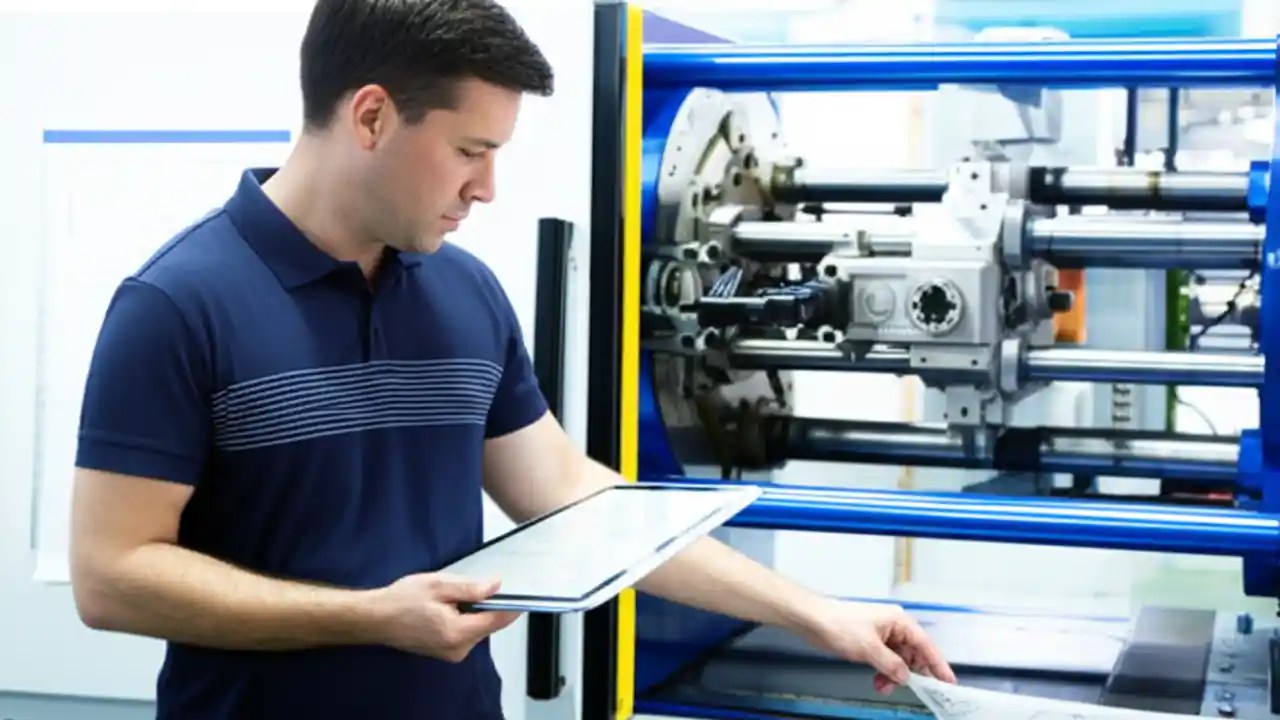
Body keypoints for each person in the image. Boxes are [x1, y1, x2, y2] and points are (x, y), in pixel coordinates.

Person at [67, 0, 956, 718]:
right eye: (471, 151)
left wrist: (817, 614)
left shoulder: (465, 293)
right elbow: (111, 579)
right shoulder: (177, 305)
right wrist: (369, 618)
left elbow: (573, 495)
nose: (486, 188)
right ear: (371, 115)